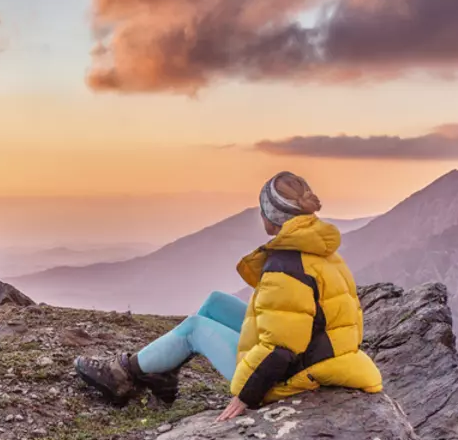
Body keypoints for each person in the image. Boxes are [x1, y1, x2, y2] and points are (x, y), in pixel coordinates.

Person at [74, 171, 383, 421]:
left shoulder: (286, 265)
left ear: (272, 216)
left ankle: (122, 375)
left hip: (291, 374)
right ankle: (161, 374)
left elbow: (282, 348)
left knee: (195, 328)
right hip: (316, 353)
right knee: (215, 303)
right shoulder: (320, 251)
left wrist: (248, 395)